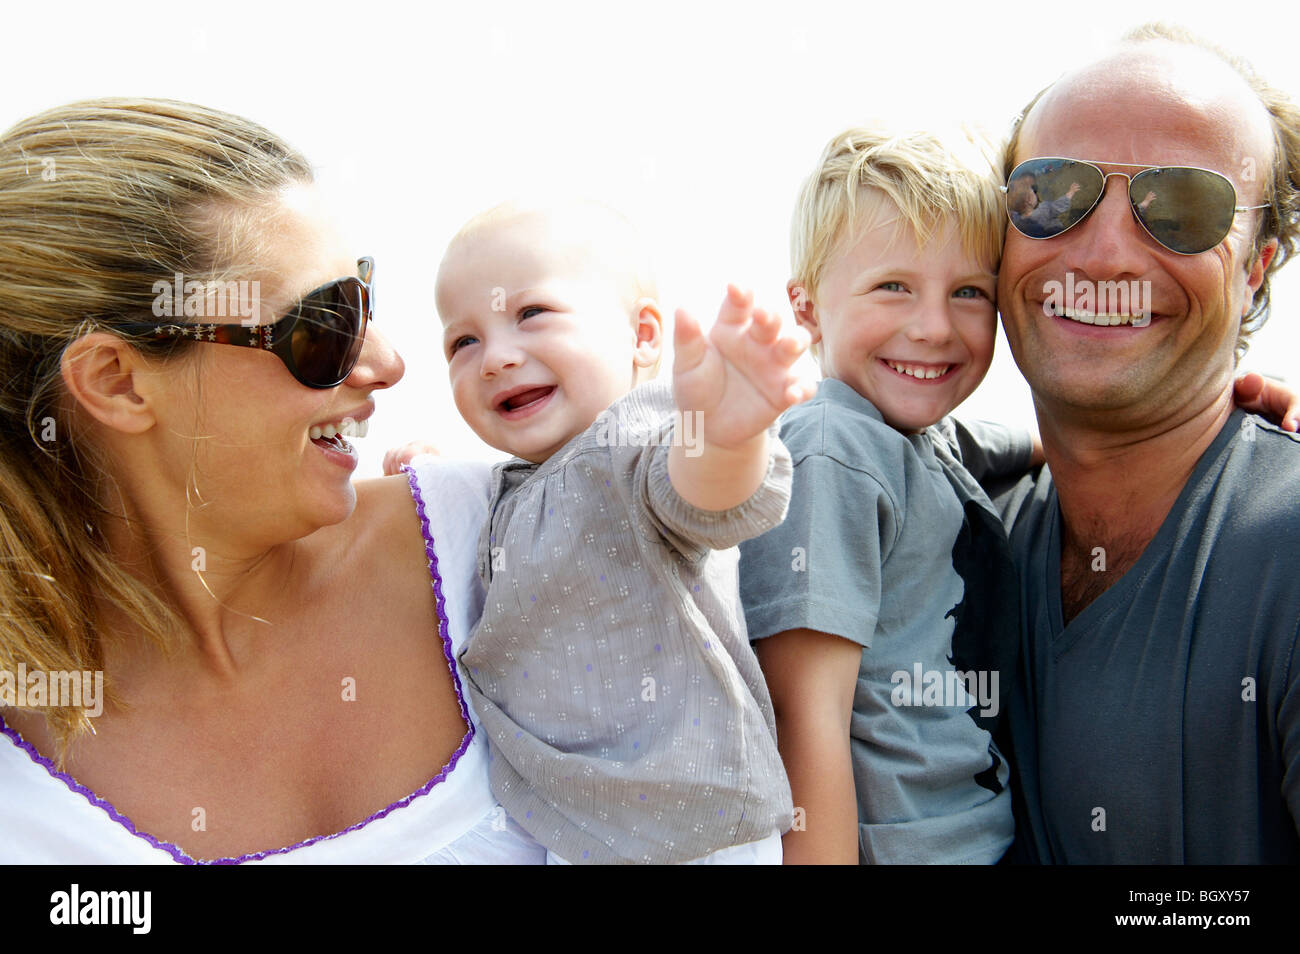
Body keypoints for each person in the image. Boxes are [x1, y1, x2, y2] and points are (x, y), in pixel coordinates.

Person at [0, 98, 544, 863]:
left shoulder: (511, 546)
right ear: (117, 381)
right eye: (321, 326)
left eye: (363, 295)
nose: (386, 363)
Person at [995, 23, 1300, 863]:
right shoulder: (939, 535)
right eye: (1052, 192)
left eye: (1182, 207)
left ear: (1256, 267)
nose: (1104, 254)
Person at [429, 199, 814, 863]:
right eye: (463, 341)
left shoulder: (630, 440)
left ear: (641, 336)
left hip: (690, 821)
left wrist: (724, 436)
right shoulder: (512, 489)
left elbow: (698, 496)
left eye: (531, 314)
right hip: (577, 822)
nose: (494, 358)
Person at [738, 125, 1032, 864]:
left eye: (969, 292)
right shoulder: (833, 450)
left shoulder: (921, 441)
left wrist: (1226, 412)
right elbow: (806, 715)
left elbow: (1045, 445)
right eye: (892, 287)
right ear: (806, 309)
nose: (933, 327)